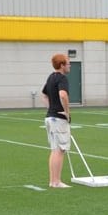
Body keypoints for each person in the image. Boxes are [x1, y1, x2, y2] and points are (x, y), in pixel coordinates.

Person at [41, 52, 72, 188]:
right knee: (60, 149)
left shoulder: (50, 77)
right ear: (62, 65)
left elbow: (44, 94)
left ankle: (53, 181)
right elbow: (63, 95)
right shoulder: (61, 78)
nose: (69, 65)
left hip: (50, 116)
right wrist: (66, 112)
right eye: (68, 63)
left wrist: (51, 108)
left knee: (55, 149)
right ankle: (56, 181)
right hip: (58, 118)